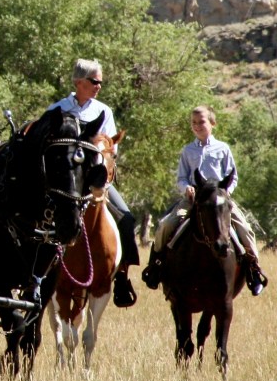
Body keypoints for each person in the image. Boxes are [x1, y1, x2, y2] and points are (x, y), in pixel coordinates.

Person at [142, 106, 268, 295]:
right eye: (193, 122)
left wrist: (225, 192)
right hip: (193, 200)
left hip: (219, 202)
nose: (197, 126)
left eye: (201, 122)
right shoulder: (188, 150)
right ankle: (156, 265)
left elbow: (232, 176)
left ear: (212, 123)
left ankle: (253, 270)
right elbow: (181, 178)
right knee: (165, 225)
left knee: (244, 228)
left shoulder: (223, 149)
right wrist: (186, 188)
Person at [48, 58, 139, 308]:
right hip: (65, 184)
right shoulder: (56, 110)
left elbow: (111, 147)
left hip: (96, 181)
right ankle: (36, 276)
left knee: (127, 219)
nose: (99, 86)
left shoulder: (104, 111)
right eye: (95, 81)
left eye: (100, 82)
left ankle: (121, 277)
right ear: (79, 82)